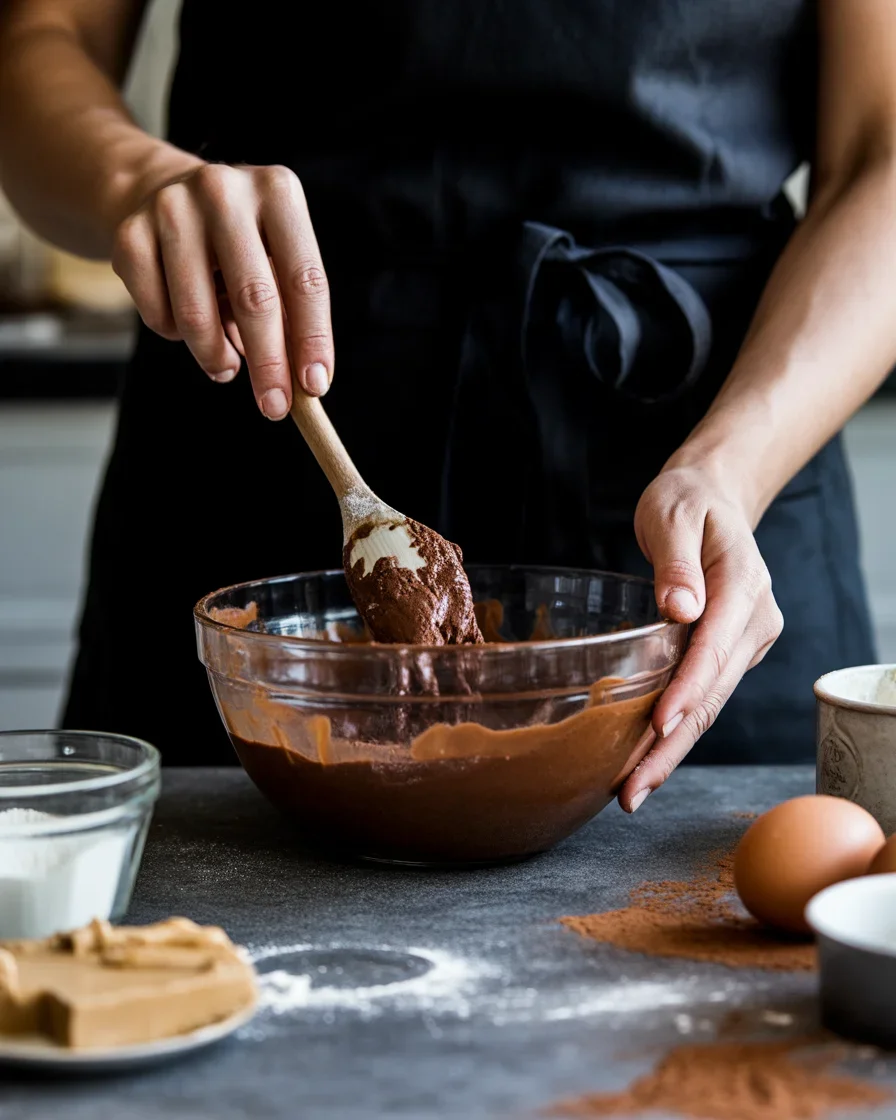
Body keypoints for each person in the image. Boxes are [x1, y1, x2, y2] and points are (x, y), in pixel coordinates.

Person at [0, 1, 891, 812]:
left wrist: (729, 468)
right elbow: (41, 43)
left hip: (714, 463)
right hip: (255, 418)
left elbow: (880, 153)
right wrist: (139, 181)